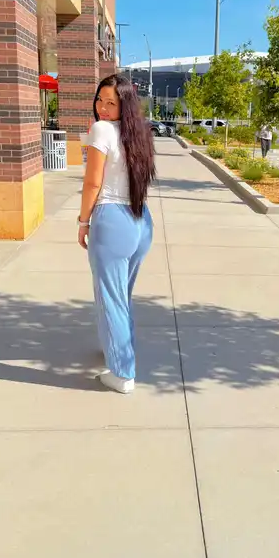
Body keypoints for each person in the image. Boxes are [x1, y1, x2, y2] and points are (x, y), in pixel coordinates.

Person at [77, 74, 156, 394]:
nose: (103, 108)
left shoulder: (101, 130)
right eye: (100, 100)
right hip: (140, 220)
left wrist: (83, 222)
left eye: (111, 103)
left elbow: (92, 183)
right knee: (121, 296)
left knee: (111, 298)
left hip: (112, 220)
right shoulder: (140, 133)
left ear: (125, 105)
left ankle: (123, 374)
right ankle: (116, 349)